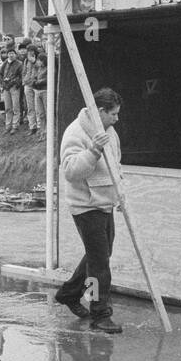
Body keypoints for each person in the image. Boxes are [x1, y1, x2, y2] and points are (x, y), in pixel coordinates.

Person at [54, 87, 125, 334]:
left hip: (105, 203)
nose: (117, 118)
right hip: (86, 206)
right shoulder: (75, 132)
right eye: (113, 114)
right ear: (101, 111)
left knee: (100, 254)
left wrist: (120, 194)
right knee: (99, 263)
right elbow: (71, 171)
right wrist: (93, 150)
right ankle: (100, 313)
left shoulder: (110, 132)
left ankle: (69, 294)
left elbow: (115, 165)